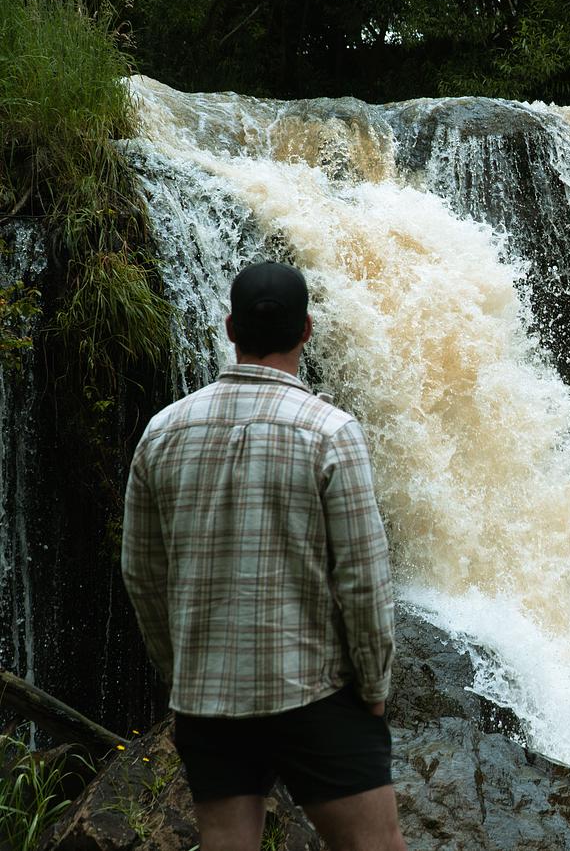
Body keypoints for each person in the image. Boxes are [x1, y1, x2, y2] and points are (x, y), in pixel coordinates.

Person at [121, 261, 406, 851]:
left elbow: (143, 573)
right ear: (307, 331)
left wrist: (182, 671)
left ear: (229, 327)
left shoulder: (163, 431)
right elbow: (363, 579)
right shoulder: (331, 432)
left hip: (207, 698)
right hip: (312, 690)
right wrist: (373, 687)